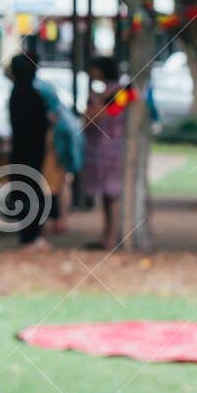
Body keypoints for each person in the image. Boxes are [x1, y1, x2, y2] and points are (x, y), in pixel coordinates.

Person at [6, 53, 52, 249]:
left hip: (20, 150)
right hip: (33, 152)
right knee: (31, 191)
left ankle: (28, 235)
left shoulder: (16, 95)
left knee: (23, 190)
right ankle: (31, 235)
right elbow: (42, 126)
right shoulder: (33, 96)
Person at [83, 55, 128, 251]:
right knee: (106, 196)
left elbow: (101, 116)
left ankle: (112, 237)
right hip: (101, 150)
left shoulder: (119, 93)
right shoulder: (108, 93)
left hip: (111, 150)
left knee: (112, 194)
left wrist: (96, 104)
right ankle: (106, 234)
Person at [33, 74, 83, 236]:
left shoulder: (39, 91)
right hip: (61, 148)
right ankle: (60, 220)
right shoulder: (47, 90)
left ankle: (51, 222)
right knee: (62, 184)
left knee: (50, 185)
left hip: (55, 149)